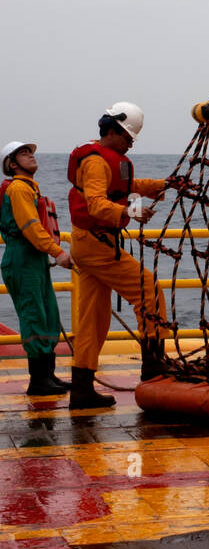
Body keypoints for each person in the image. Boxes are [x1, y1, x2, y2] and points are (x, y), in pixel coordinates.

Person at [67, 102, 168, 409]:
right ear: (112, 131)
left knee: (93, 320)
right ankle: (154, 369)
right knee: (149, 291)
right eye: (127, 138)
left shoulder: (105, 159)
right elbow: (99, 204)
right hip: (97, 244)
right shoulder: (97, 162)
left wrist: (161, 186)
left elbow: (123, 187)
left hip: (89, 243)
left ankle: (82, 388)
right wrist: (131, 212)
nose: (130, 144)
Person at [0, 141, 72, 395]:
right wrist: (58, 252)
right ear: (12, 164)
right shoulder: (18, 189)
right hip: (22, 258)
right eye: (23, 153)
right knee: (33, 316)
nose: (30, 156)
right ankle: (38, 381)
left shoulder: (30, 189)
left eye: (30, 152)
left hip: (35, 259)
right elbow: (31, 227)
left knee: (48, 315)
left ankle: (48, 376)